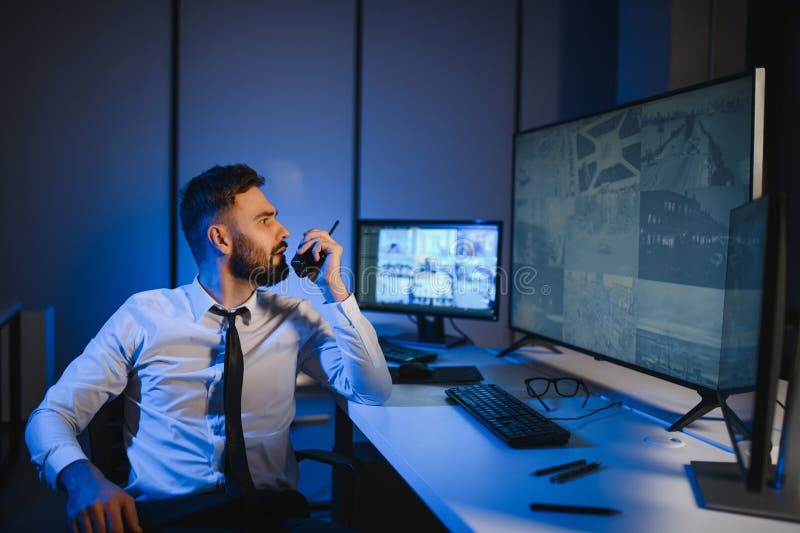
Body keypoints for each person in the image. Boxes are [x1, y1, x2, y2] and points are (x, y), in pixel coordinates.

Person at [25, 164, 392, 532]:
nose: (284, 232)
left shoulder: (294, 318)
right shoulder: (144, 316)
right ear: (220, 239)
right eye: (265, 221)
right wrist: (81, 478)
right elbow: (51, 415)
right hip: (171, 518)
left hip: (273, 517)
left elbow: (372, 390)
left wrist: (335, 291)